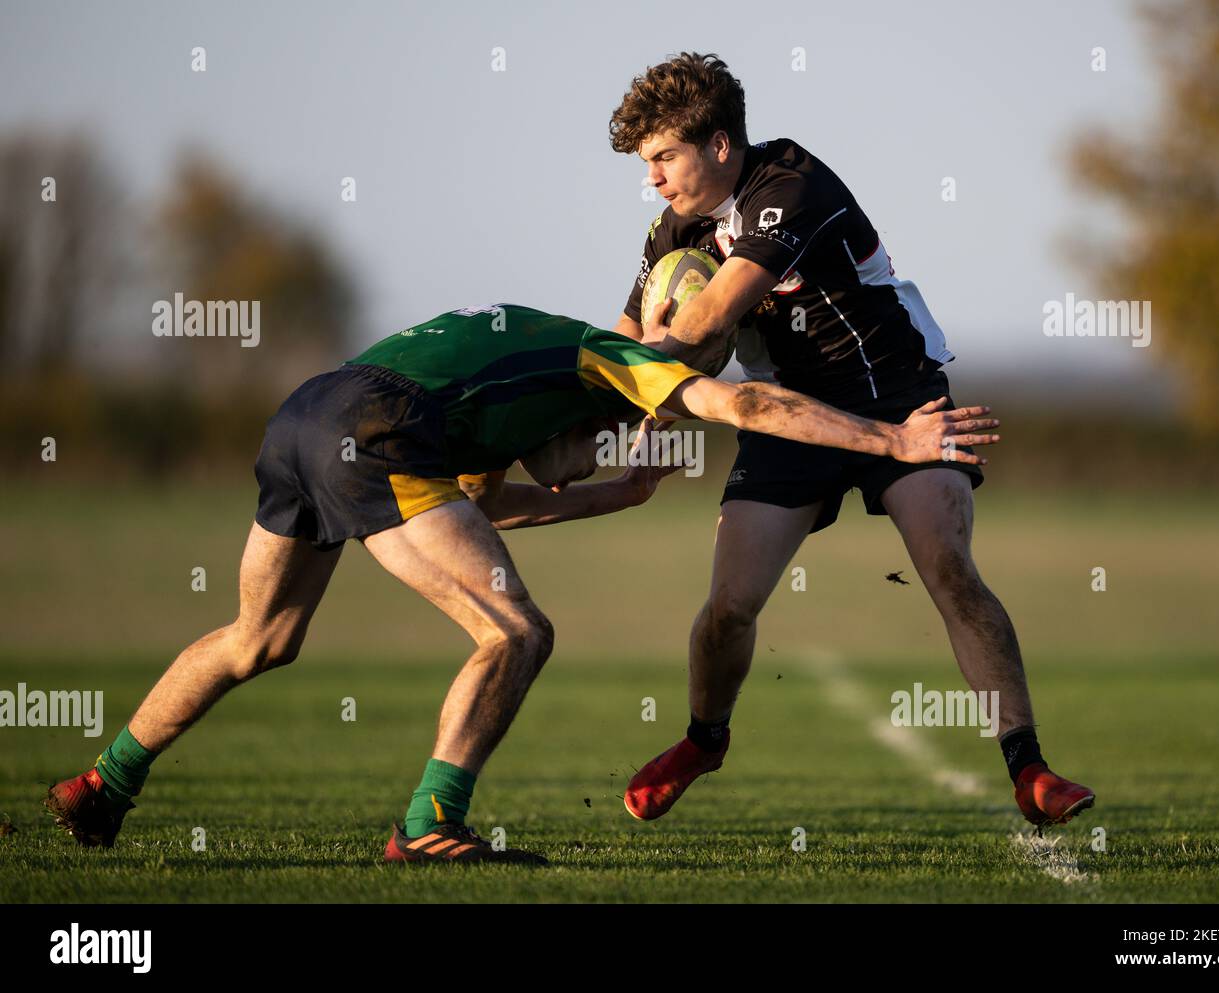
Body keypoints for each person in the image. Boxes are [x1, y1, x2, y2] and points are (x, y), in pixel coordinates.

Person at [45, 303, 999, 865]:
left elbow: (472, 514)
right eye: (597, 448)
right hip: (379, 424)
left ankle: (102, 781)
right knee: (517, 633)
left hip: (308, 415)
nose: (582, 462)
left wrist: (621, 494)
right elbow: (743, 401)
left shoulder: (511, 388)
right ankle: (429, 825)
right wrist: (894, 439)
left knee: (260, 636)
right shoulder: (618, 359)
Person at [607, 53, 1094, 827]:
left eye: (665, 158)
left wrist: (652, 363)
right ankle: (703, 739)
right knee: (729, 607)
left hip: (898, 396)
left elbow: (701, 324)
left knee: (949, 568)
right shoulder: (673, 227)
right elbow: (626, 339)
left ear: (721, 145)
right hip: (787, 413)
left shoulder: (791, 189)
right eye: (648, 165)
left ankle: (1029, 766)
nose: (654, 180)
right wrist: (590, 408)